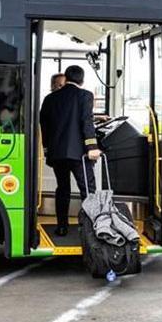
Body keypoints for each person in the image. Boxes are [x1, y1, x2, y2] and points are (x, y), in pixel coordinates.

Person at [40, 65, 101, 236]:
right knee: (88, 190)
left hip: (57, 153)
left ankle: (62, 227)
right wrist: (92, 147)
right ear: (82, 80)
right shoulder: (85, 95)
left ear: (66, 78)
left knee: (62, 189)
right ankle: (90, 229)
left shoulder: (50, 98)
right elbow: (86, 122)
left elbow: (44, 125)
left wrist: (47, 148)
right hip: (79, 154)